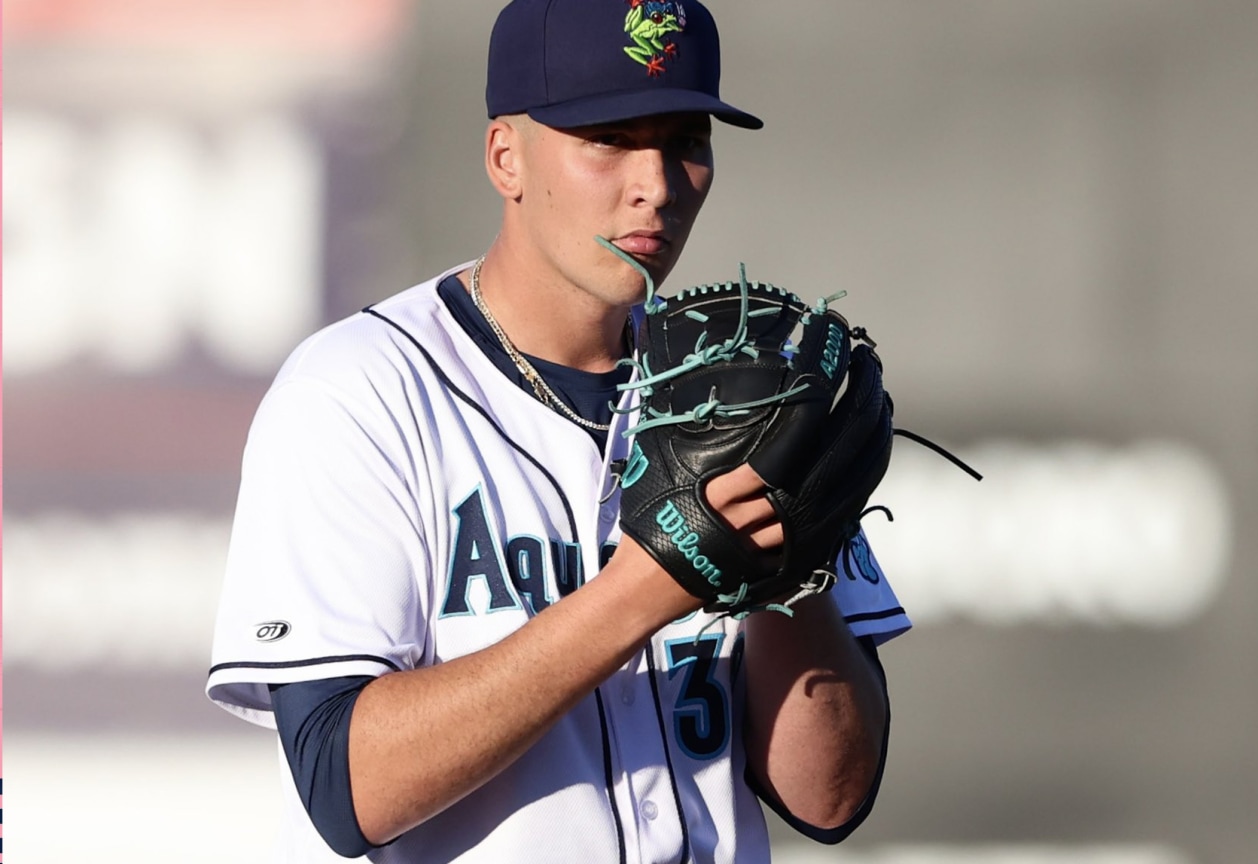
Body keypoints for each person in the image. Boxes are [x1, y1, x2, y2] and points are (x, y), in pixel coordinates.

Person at [206, 1, 909, 861]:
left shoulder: (749, 399)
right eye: (610, 138)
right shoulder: (360, 390)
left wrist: (789, 574)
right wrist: (647, 588)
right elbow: (345, 786)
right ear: (507, 155)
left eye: (686, 139)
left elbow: (830, 798)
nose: (656, 182)